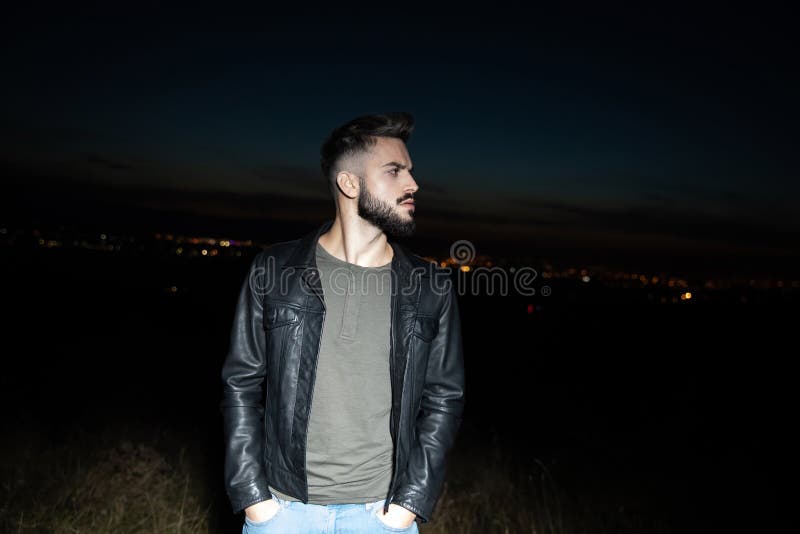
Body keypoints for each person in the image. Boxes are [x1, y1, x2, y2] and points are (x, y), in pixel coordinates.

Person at [220, 112, 466, 533]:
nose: (413, 184)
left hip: (381, 515)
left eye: (410, 170)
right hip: (283, 511)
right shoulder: (276, 270)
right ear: (349, 184)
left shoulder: (430, 286)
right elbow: (240, 383)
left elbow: (444, 398)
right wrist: (253, 498)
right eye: (395, 171)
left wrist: (409, 504)